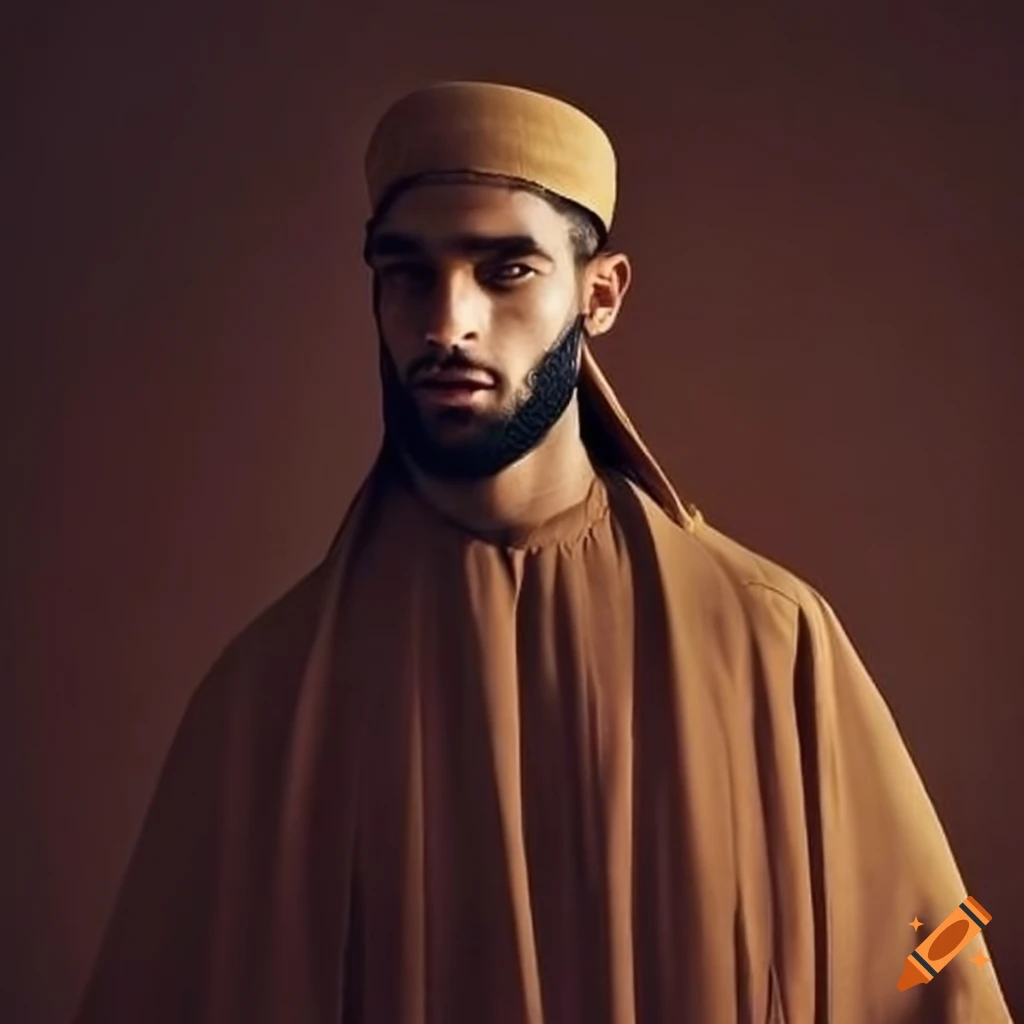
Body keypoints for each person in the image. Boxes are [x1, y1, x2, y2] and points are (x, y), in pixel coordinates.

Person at [74, 81, 1014, 1024]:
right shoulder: (268, 699)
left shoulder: (772, 643)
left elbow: (934, 967)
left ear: (598, 294)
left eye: (506, 271)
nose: (448, 324)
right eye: (408, 273)